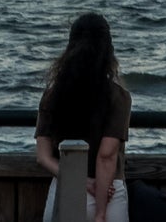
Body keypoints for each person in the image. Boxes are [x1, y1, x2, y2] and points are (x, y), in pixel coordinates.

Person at [35, 12, 131, 222]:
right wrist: (100, 213)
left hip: (65, 189)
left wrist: (80, 181)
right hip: (109, 193)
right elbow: (106, 157)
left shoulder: (52, 95)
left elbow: (43, 157)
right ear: (108, 49)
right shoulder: (118, 96)